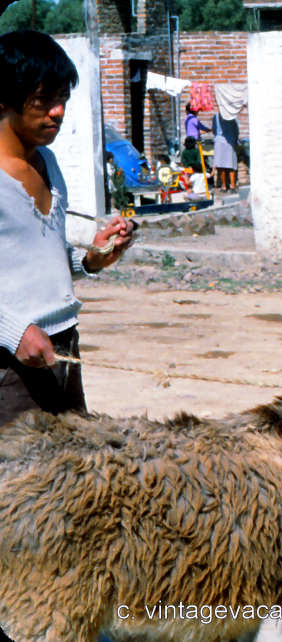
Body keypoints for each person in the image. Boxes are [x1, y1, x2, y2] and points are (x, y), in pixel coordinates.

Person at [0, 30, 135, 425]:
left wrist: (91, 259)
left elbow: (40, 258)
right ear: (4, 98)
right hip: (9, 366)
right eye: (44, 101)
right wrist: (14, 332)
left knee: (75, 478)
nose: (57, 112)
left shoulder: (49, 164)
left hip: (62, 352)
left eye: (63, 100)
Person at [211, 112, 239, 192]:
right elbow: (236, 129)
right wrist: (235, 139)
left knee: (221, 165)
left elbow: (214, 130)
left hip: (219, 142)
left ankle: (224, 186)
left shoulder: (215, 117)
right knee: (231, 164)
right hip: (230, 141)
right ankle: (232, 186)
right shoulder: (232, 116)